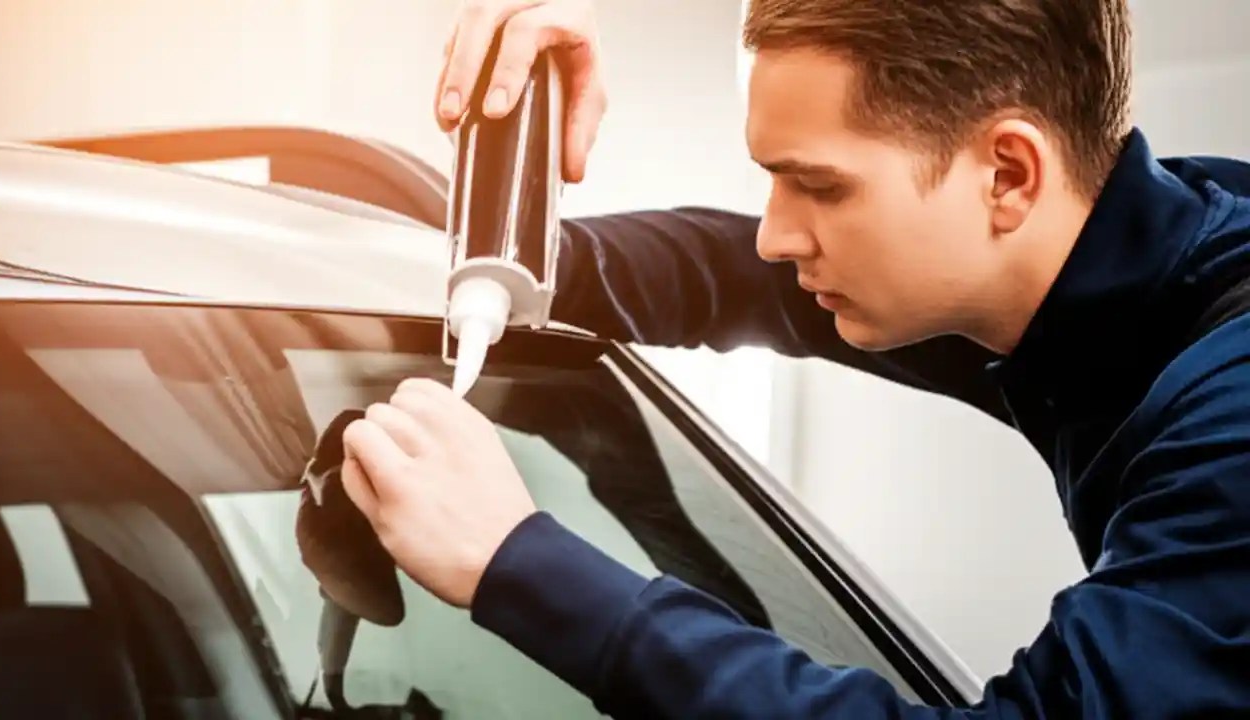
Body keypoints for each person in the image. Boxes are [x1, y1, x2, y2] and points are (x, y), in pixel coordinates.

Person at [336, 0, 1250, 716]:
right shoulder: (1144, 257)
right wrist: (507, 260)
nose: (776, 234)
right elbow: (733, 280)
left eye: (818, 186)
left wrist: (512, 560)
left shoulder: (1233, 422)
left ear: (1008, 175)